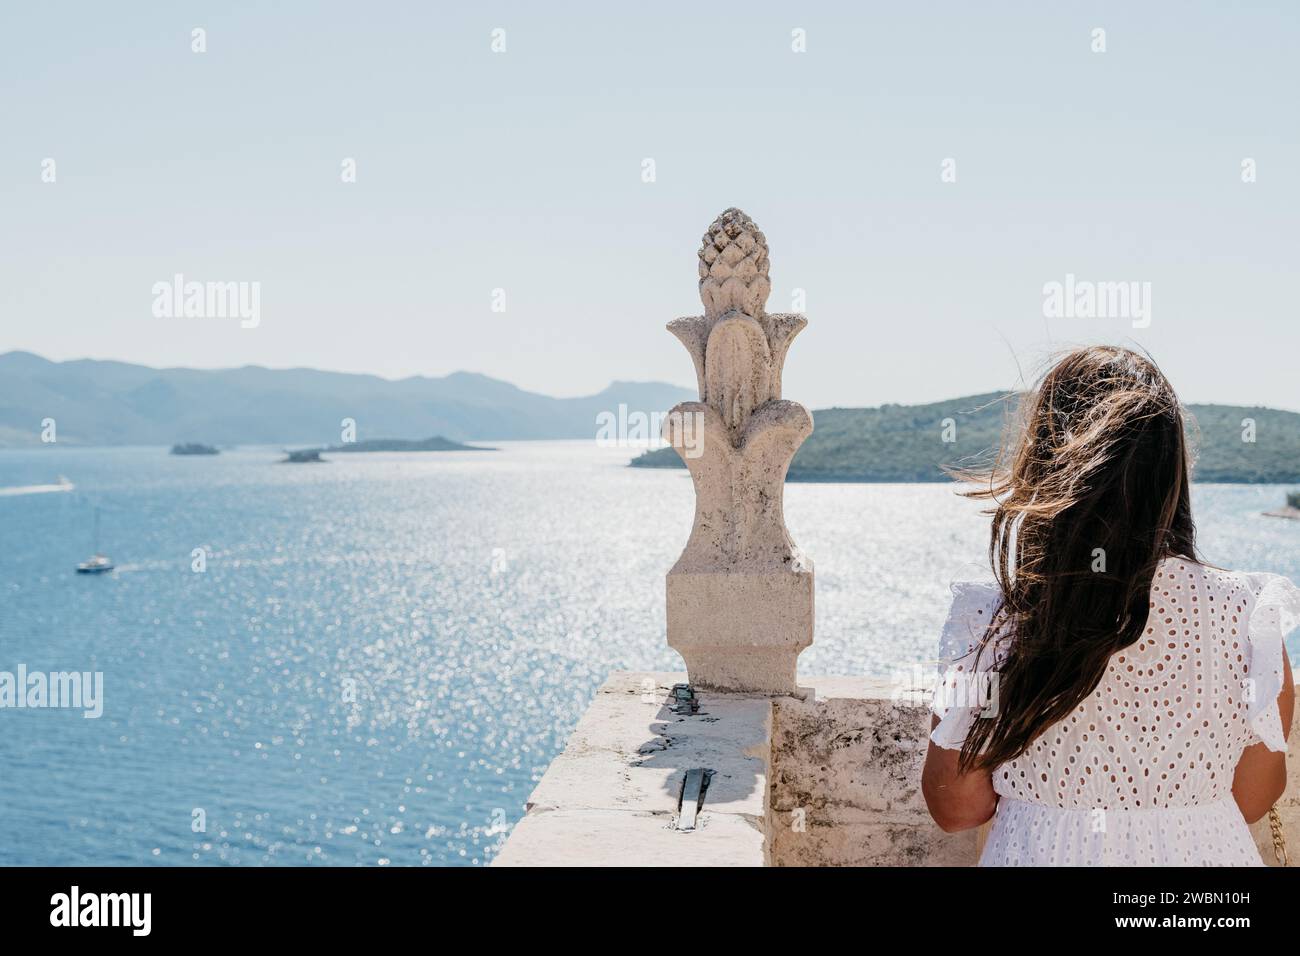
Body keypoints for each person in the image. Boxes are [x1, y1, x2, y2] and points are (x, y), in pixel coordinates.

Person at [921, 346, 1298, 865]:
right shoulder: (1248, 613)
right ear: (1171, 470)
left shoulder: (995, 614)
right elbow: (1253, 796)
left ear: (1044, 458)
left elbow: (957, 807)